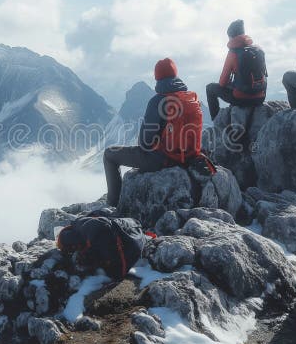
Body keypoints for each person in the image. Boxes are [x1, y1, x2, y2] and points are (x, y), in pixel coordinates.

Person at [103, 58, 203, 206]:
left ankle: (113, 204)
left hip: (163, 160)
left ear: (157, 77)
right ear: (175, 74)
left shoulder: (158, 101)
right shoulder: (191, 98)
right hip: (188, 158)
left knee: (109, 155)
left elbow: (145, 143)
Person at [206, 19, 267, 121]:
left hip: (241, 99)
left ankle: (216, 120)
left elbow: (222, 83)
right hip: (260, 97)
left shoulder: (233, 53)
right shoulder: (258, 49)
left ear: (231, 36)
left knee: (210, 88)